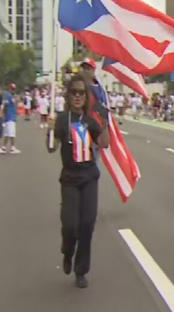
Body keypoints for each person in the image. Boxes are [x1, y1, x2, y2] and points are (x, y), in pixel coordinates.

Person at [46, 74, 109, 288]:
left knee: (87, 224)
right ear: (68, 95)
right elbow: (51, 148)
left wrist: (105, 122)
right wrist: (50, 128)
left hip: (89, 177)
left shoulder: (90, 120)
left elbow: (104, 144)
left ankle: (81, 270)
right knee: (70, 224)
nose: (78, 96)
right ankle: (67, 250)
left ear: (86, 96)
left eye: (82, 93)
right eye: (74, 92)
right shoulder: (63, 119)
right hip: (70, 180)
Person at [0, 83, 21, 154]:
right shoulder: (7, 95)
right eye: (12, 89)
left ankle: (3, 147)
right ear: (9, 88)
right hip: (9, 117)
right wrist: (1, 114)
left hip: (10, 117)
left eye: (14, 89)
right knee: (11, 133)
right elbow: (4, 105)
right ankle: (12, 148)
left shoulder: (10, 96)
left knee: (7, 134)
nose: (13, 90)